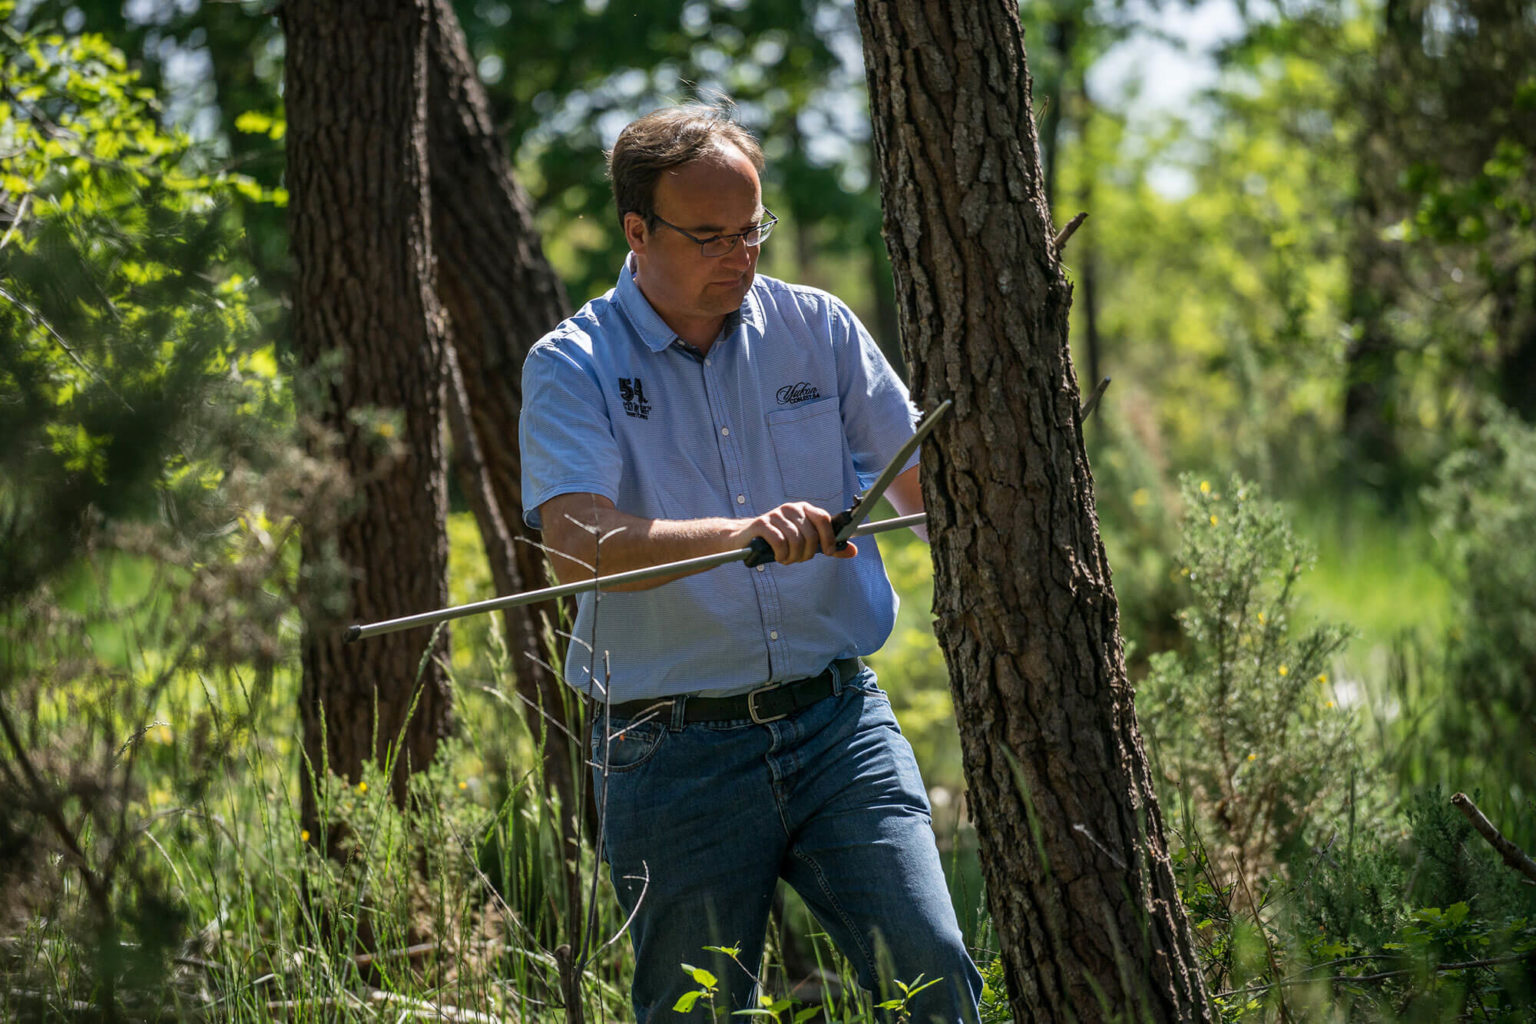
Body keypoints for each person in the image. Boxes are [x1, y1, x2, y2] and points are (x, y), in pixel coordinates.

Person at [519, 103, 982, 1023]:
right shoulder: (572, 364)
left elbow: (932, 492)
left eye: (753, 230)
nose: (741, 255)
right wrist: (739, 533)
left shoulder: (819, 329)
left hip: (839, 724)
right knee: (695, 1013)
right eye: (711, 236)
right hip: (669, 751)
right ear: (637, 231)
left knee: (932, 979)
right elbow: (579, 551)